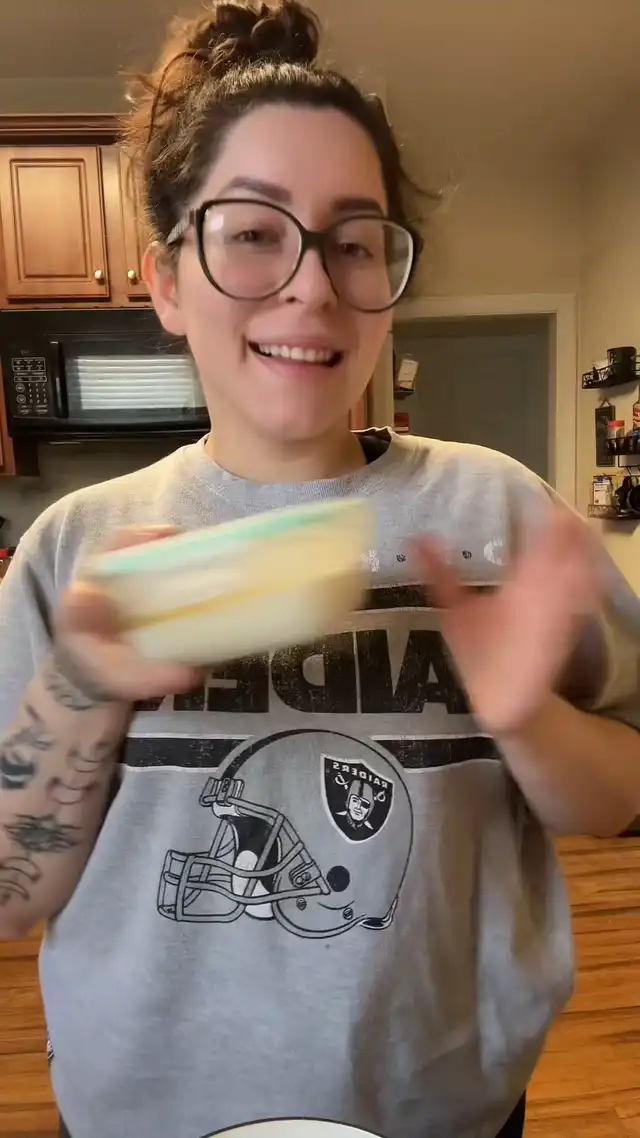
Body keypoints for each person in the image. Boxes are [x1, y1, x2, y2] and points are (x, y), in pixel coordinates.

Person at [0, 3, 639, 1137]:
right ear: (166, 281)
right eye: (253, 231)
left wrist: (526, 719)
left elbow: (624, 792)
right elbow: (11, 896)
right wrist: (81, 688)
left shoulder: (497, 512)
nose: (311, 285)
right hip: (149, 1112)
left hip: (440, 1105)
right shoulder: (75, 549)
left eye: (354, 240)